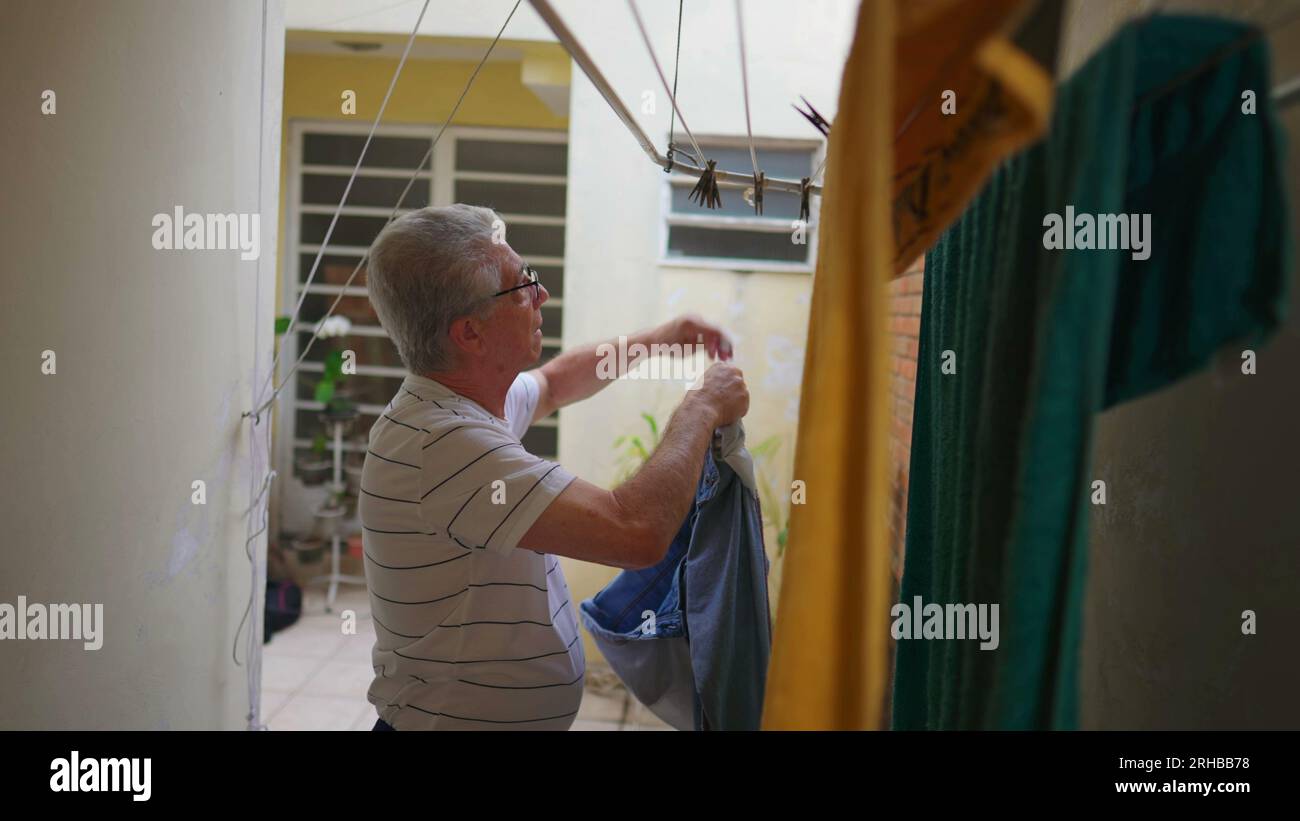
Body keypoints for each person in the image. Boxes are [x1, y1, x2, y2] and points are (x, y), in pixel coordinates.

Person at [358, 204, 749, 730]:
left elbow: (555, 383)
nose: (540, 295)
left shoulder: (462, 402)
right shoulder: (445, 445)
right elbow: (634, 531)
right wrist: (700, 407)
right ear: (469, 334)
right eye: (520, 286)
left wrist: (659, 339)